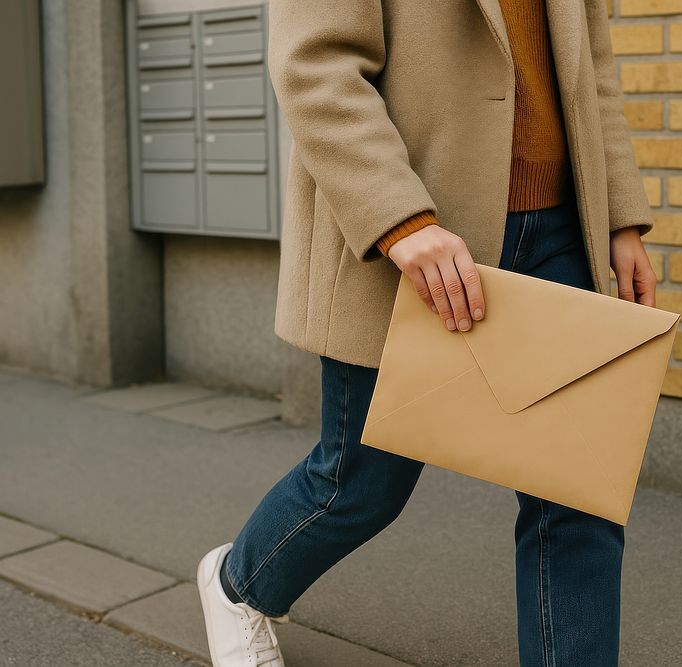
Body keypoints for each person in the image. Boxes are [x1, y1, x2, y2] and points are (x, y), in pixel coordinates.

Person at [196, 0, 658, 665]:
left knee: (578, 493)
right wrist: (399, 218)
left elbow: (593, 59)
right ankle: (238, 583)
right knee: (361, 482)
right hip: (416, 233)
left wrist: (619, 215)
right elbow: (315, 63)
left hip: (560, 231)